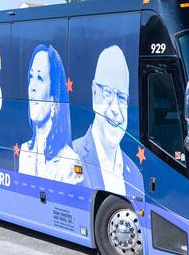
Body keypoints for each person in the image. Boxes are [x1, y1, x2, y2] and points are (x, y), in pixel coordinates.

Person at [73, 44, 142, 198]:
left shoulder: (135, 175)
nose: (115, 109)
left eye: (122, 97)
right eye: (108, 93)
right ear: (94, 93)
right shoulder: (74, 155)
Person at [19, 43, 80, 182]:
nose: (32, 87)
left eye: (40, 78)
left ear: (54, 99)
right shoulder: (25, 151)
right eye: (31, 77)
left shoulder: (69, 162)